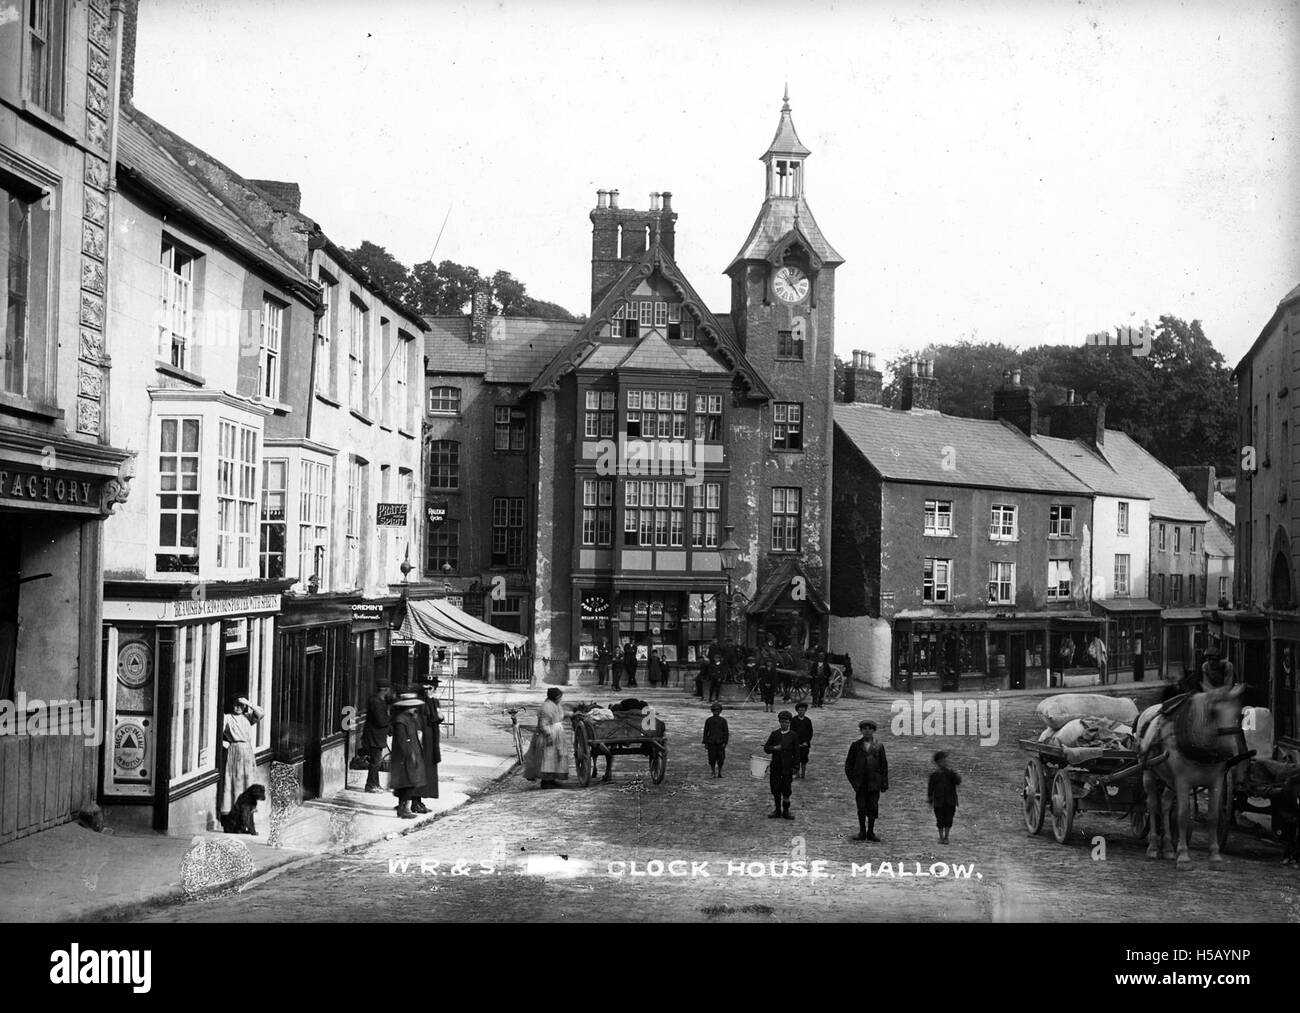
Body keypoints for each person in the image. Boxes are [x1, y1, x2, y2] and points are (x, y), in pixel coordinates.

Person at [220, 696, 265, 819]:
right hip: (235, 750)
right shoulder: (227, 718)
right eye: (236, 705)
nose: (238, 708)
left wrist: (249, 703)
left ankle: (247, 813)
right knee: (236, 781)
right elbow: (217, 732)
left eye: (241, 705)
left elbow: (260, 714)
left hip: (247, 751)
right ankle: (234, 812)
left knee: (248, 781)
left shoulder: (247, 718)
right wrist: (223, 742)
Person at [844, 719, 889, 841]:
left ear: (874, 731)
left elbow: (883, 765)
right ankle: (862, 831)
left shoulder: (879, 746)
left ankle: (871, 832)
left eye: (870, 729)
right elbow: (848, 765)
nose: (867, 731)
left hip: (874, 783)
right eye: (864, 729)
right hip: (860, 783)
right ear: (861, 731)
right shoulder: (855, 746)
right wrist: (853, 780)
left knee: (873, 807)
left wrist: (884, 782)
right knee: (861, 807)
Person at [388, 692, 427, 819]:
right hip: (404, 757)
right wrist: (410, 755)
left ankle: (404, 807)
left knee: (410, 782)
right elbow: (401, 740)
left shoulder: (411, 718)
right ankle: (403, 808)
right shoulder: (400, 720)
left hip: (413, 753)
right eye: (412, 706)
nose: (414, 708)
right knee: (406, 783)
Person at [525, 687, 569, 789]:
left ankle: (552, 779)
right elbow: (542, 724)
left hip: (557, 733)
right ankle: (546, 781)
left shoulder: (555, 705)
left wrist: (571, 714)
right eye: (560, 697)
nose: (561, 699)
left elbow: (560, 716)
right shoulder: (546, 707)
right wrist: (548, 735)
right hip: (549, 735)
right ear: (556, 697)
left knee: (555, 757)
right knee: (548, 757)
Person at [411, 679, 443, 815]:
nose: (428, 691)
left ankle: (419, 801)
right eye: (426, 689)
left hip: (431, 742)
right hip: (422, 741)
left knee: (428, 771)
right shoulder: (419, 704)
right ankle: (414, 802)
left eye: (431, 688)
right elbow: (417, 726)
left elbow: (440, 716)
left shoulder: (434, 702)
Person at [763, 710, 800, 819]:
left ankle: (786, 811)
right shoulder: (775, 734)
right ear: (779, 722)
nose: (785, 724)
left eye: (787, 722)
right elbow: (766, 748)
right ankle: (777, 810)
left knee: (787, 790)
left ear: (790, 723)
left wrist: (796, 767)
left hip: (788, 768)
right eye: (783, 722)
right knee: (775, 788)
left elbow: (797, 753)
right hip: (776, 767)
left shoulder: (793, 735)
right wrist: (774, 748)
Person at [361, 679, 392, 793]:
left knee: (377, 761)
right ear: (385, 689)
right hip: (374, 736)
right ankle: (370, 785)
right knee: (375, 762)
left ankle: (375, 783)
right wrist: (390, 721)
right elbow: (381, 721)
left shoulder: (380, 700)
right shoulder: (376, 702)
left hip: (377, 736)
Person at [927, 751, 962, 844]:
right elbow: (930, 789)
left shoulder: (951, 773)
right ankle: (941, 837)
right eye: (942, 761)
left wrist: (956, 774)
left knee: (949, 819)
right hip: (938, 801)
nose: (944, 762)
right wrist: (930, 800)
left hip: (950, 801)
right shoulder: (934, 775)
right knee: (940, 819)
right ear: (937, 763)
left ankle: (946, 836)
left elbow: (958, 781)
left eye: (945, 760)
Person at [702, 702, 729, 778]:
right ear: (712, 711)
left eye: (717, 711)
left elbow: (726, 732)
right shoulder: (708, 720)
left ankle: (720, 772)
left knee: (721, 759)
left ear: (720, 711)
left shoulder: (723, 721)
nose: (716, 712)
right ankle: (713, 772)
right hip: (711, 743)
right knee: (712, 759)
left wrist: (725, 742)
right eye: (714, 711)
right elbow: (705, 732)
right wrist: (706, 742)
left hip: (720, 743)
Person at [791, 701, 813, 779]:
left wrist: (806, 742)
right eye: (800, 710)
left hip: (805, 744)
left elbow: (810, 733)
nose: (801, 711)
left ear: (805, 710)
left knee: (804, 759)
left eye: (803, 710)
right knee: (796, 759)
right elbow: (792, 732)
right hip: (796, 744)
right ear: (797, 710)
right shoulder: (793, 720)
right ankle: (797, 773)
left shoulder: (808, 721)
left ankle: (803, 774)